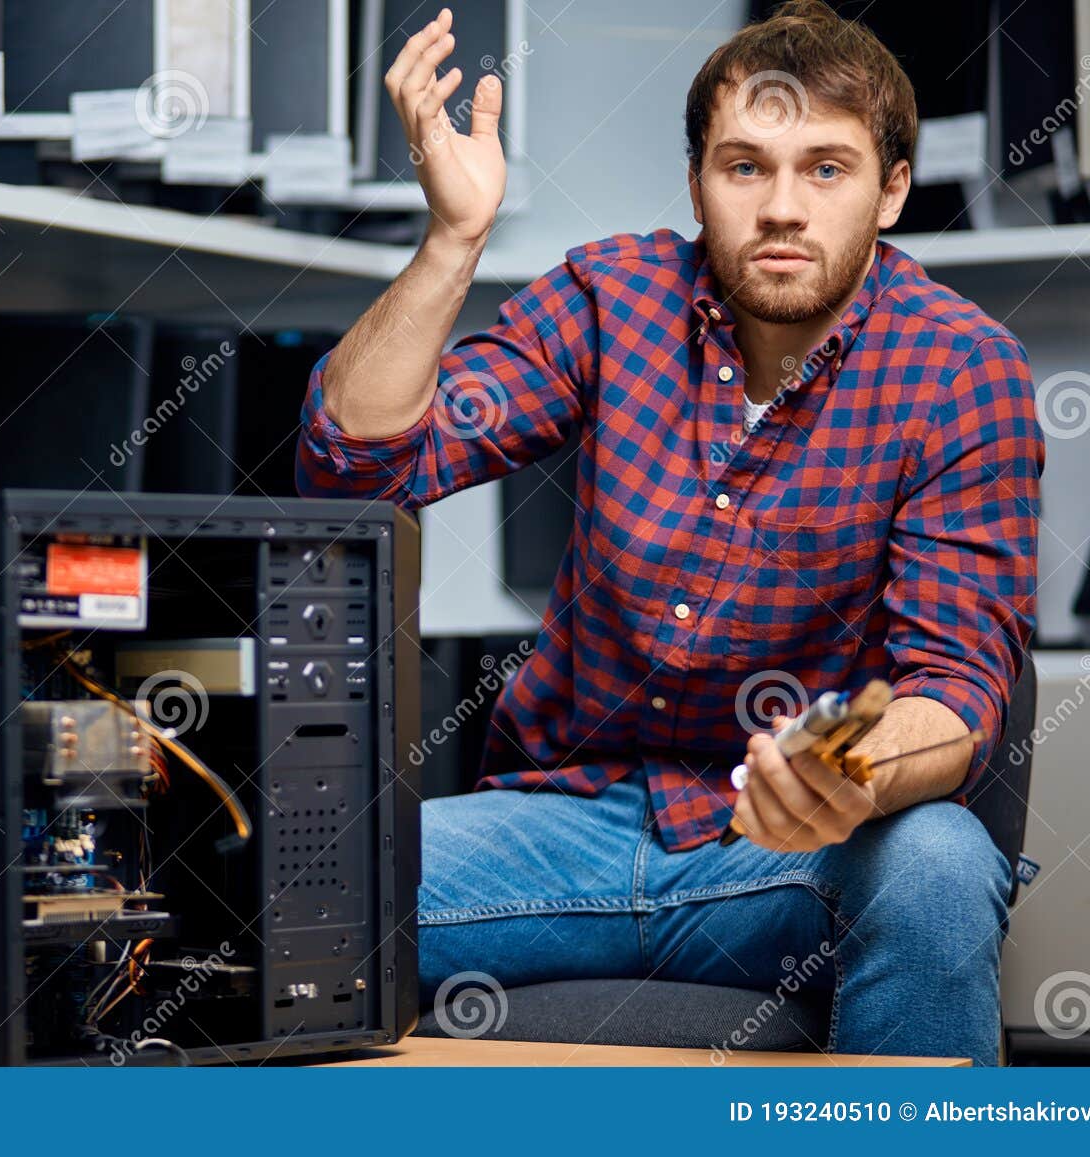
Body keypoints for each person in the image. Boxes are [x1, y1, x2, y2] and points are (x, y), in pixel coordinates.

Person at [293, 1, 1044, 1066]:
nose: (781, 207)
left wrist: (847, 773)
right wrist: (453, 240)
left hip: (797, 852)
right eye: (745, 167)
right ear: (696, 184)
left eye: (825, 168)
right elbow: (351, 470)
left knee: (933, 859)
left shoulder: (959, 369)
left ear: (891, 191)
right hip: (564, 830)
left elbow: (955, 684)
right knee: (282, 891)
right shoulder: (615, 294)